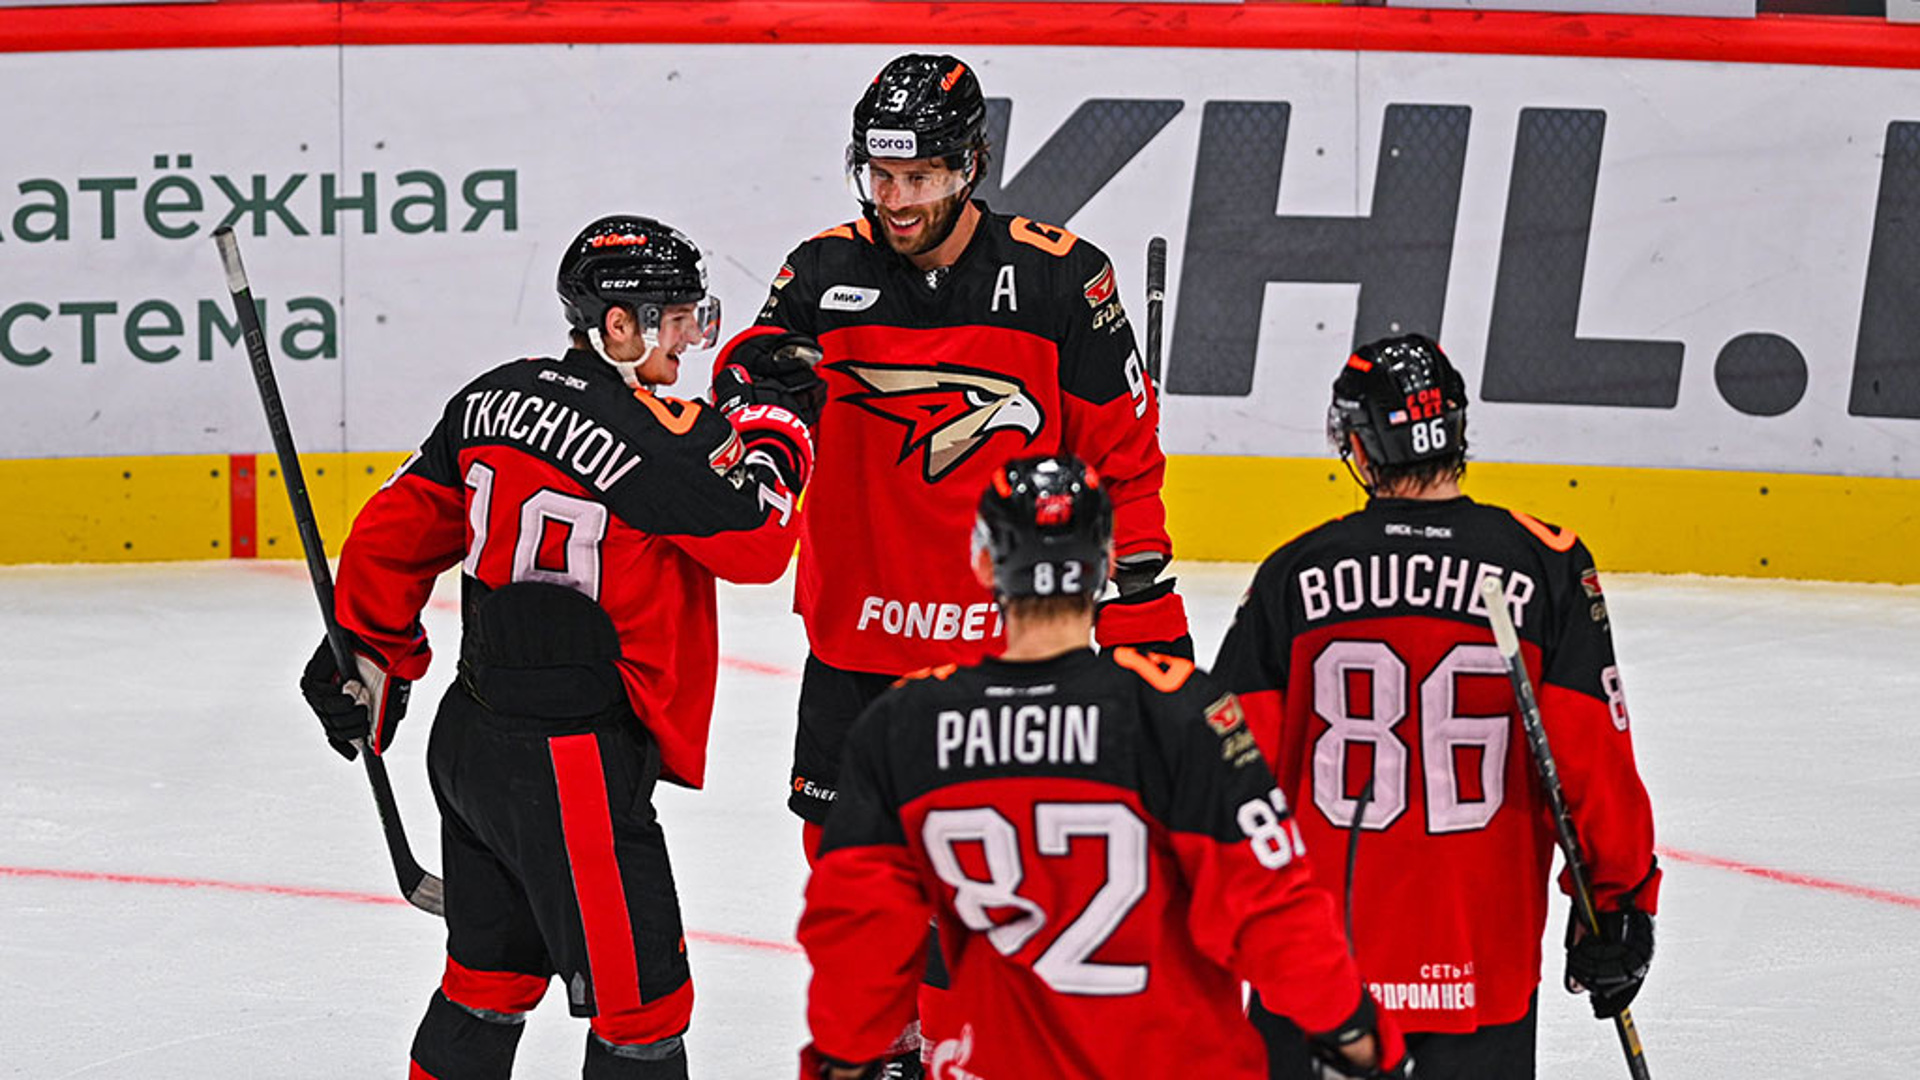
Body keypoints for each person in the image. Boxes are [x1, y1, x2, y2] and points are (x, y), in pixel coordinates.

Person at [297, 214, 819, 1079]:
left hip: (471, 743)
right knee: (642, 1013)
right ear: (618, 325)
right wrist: (777, 423)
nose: (688, 340)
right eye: (674, 317)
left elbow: (393, 534)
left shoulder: (490, 397)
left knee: (484, 982)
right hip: (571, 767)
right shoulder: (666, 437)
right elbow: (760, 541)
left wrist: (365, 654)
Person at [796, 453, 1413, 1080]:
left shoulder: (906, 724)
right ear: (1104, 565)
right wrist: (1357, 1036)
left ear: (983, 564)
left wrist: (843, 1060)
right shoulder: (1176, 709)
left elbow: (858, 935)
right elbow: (1271, 905)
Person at [720, 49, 1190, 854]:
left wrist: (1142, 604)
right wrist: (751, 393)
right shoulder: (820, 272)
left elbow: (1122, 459)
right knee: (849, 888)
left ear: (972, 166)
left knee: (989, 893)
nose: (898, 203)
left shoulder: (1061, 280)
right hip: (857, 646)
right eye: (880, 177)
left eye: (924, 178)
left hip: (1008, 652)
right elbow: (756, 393)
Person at [1212, 334, 1659, 1080]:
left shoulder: (1296, 573)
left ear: (1357, 443)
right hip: (1479, 975)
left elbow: (1225, 771)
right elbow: (1590, 762)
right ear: (1455, 429)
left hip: (1317, 978)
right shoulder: (1546, 564)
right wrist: (1616, 904)